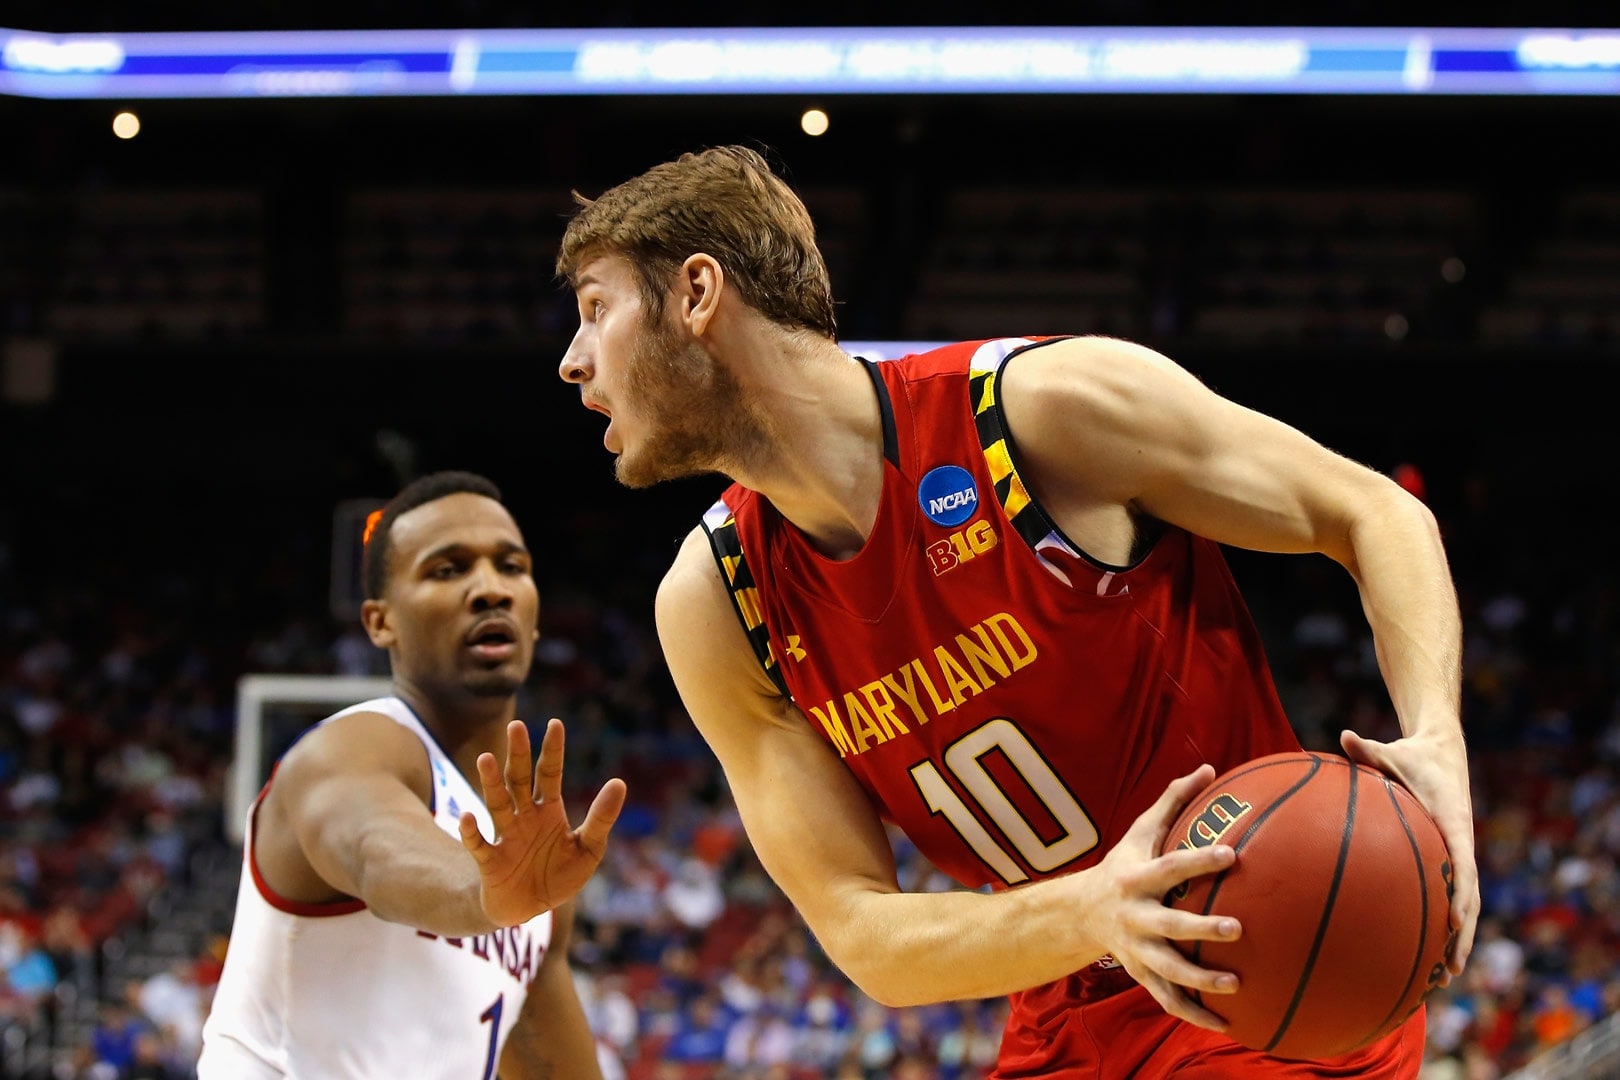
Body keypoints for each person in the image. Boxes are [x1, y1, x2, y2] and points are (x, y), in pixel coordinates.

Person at [554, 145, 1479, 1077]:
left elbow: (1372, 512)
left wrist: (1437, 737)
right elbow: (862, 930)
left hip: (1268, 945)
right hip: (1065, 995)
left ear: (697, 293)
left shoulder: (1037, 413)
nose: (572, 359)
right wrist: (1091, 910)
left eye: (598, 309)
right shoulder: (718, 600)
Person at [198, 471, 626, 1079]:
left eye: (511, 566)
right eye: (447, 569)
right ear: (380, 621)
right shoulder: (352, 748)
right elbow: (376, 852)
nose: (489, 589)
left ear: (534, 616)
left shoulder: (533, 878)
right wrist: (482, 893)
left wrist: (502, 896)